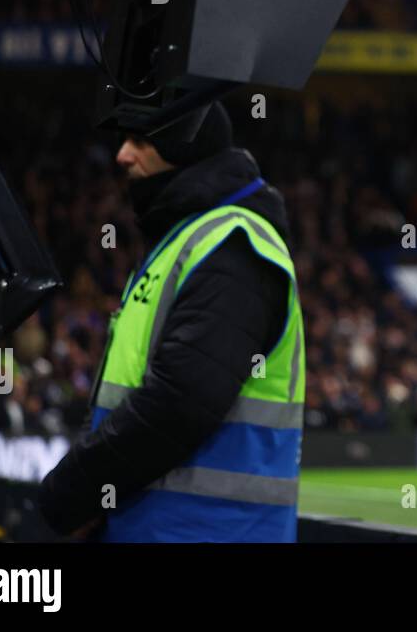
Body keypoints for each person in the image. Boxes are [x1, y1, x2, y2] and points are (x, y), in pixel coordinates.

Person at [38, 102, 305, 542]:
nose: (122, 155)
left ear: (186, 148)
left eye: (141, 141)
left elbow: (179, 404)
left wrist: (71, 493)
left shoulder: (232, 246)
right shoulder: (186, 240)